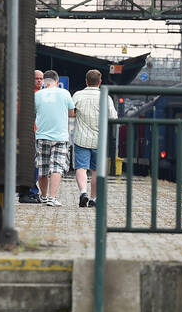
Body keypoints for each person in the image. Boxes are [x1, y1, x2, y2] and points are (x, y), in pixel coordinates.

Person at [71, 69, 116, 208]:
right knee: (96, 170)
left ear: (86, 81)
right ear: (100, 82)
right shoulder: (105, 97)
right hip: (99, 140)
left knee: (81, 167)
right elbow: (114, 117)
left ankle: (83, 192)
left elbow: (71, 112)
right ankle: (93, 198)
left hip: (81, 138)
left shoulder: (77, 95)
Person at [34, 69, 74, 206]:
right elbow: (71, 112)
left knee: (42, 168)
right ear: (57, 81)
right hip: (60, 136)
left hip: (42, 135)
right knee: (57, 167)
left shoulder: (38, 95)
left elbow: (33, 113)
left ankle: (43, 197)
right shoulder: (65, 93)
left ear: (44, 82)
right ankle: (52, 198)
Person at [20, 70, 47, 204]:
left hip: (38, 133)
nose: (39, 81)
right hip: (29, 133)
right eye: (37, 78)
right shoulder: (27, 95)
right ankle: (27, 192)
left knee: (35, 164)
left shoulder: (42, 95)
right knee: (32, 164)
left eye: (41, 78)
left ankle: (31, 190)